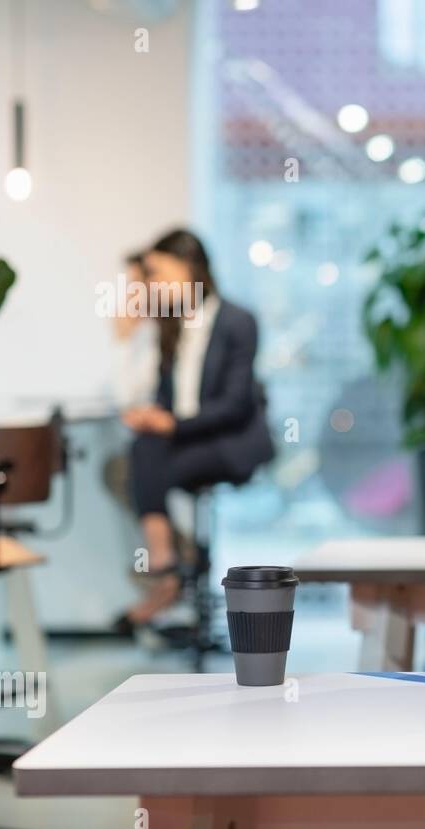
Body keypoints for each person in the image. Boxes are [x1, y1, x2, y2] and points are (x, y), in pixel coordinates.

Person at [113, 229, 274, 631]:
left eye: (157, 273)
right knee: (142, 446)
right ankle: (172, 564)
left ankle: (170, 569)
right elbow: (145, 392)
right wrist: (154, 415)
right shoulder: (168, 326)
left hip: (227, 441)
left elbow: (236, 406)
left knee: (143, 456)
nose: (151, 284)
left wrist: (173, 424)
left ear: (189, 270)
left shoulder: (238, 321)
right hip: (180, 440)